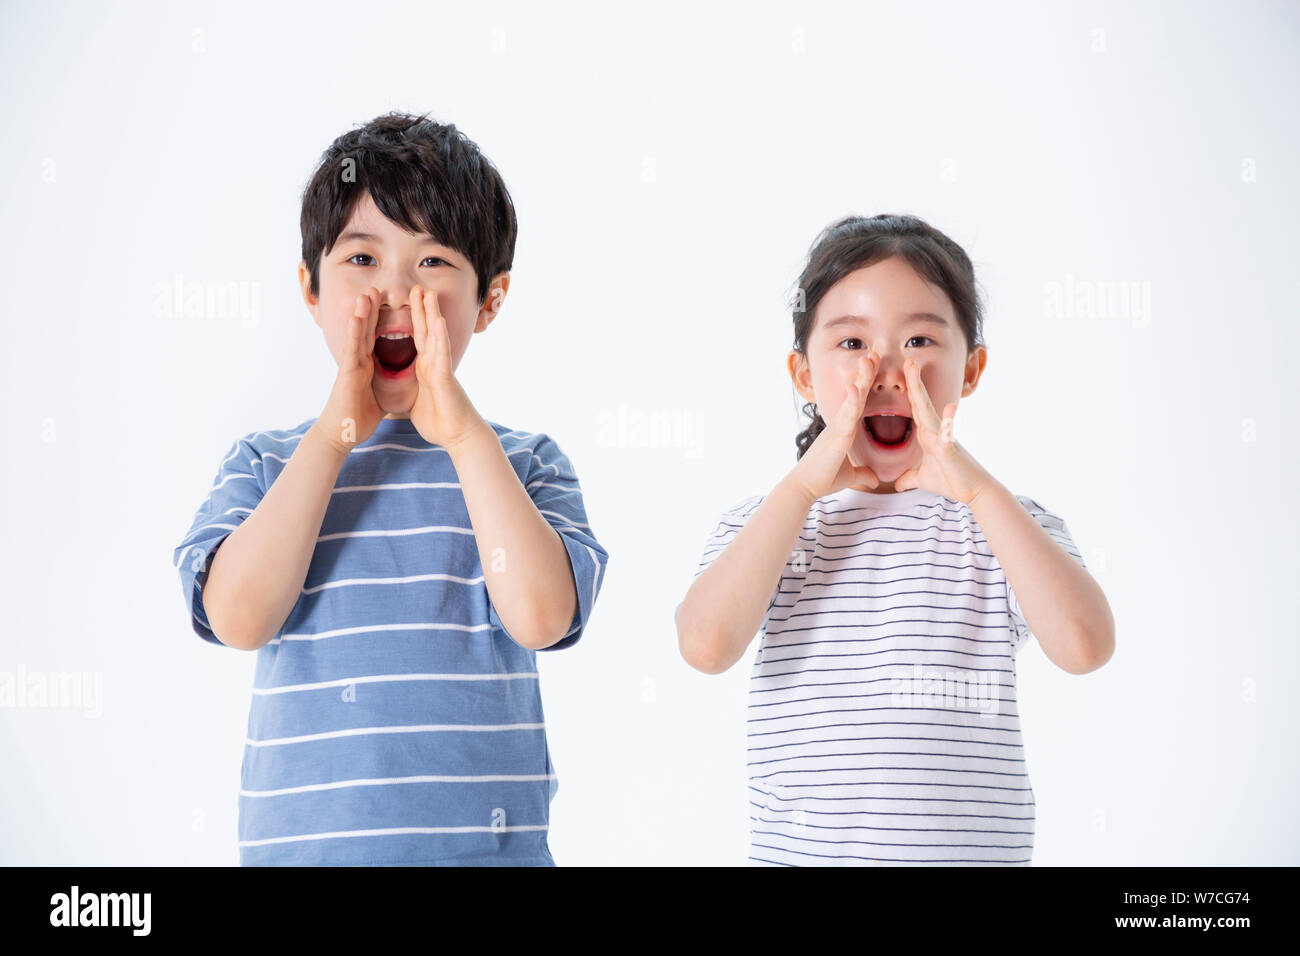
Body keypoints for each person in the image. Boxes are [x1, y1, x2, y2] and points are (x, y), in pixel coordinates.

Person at [172, 112, 608, 866]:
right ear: (310, 288)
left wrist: (466, 438)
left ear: (491, 300)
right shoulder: (267, 464)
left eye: (433, 263)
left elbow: (541, 616)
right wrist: (335, 436)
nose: (396, 292)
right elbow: (239, 618)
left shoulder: (524, 464)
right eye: (363, 258)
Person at [676, 214, 1114, 865]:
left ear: (970, 369)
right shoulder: (769, 524)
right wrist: (799, 490)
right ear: (803, 374)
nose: (885, 369)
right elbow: (705, 646)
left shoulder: (1002, 522)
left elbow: (1084, 646)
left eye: (918, 341)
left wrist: (980, 492)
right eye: (852, 343)